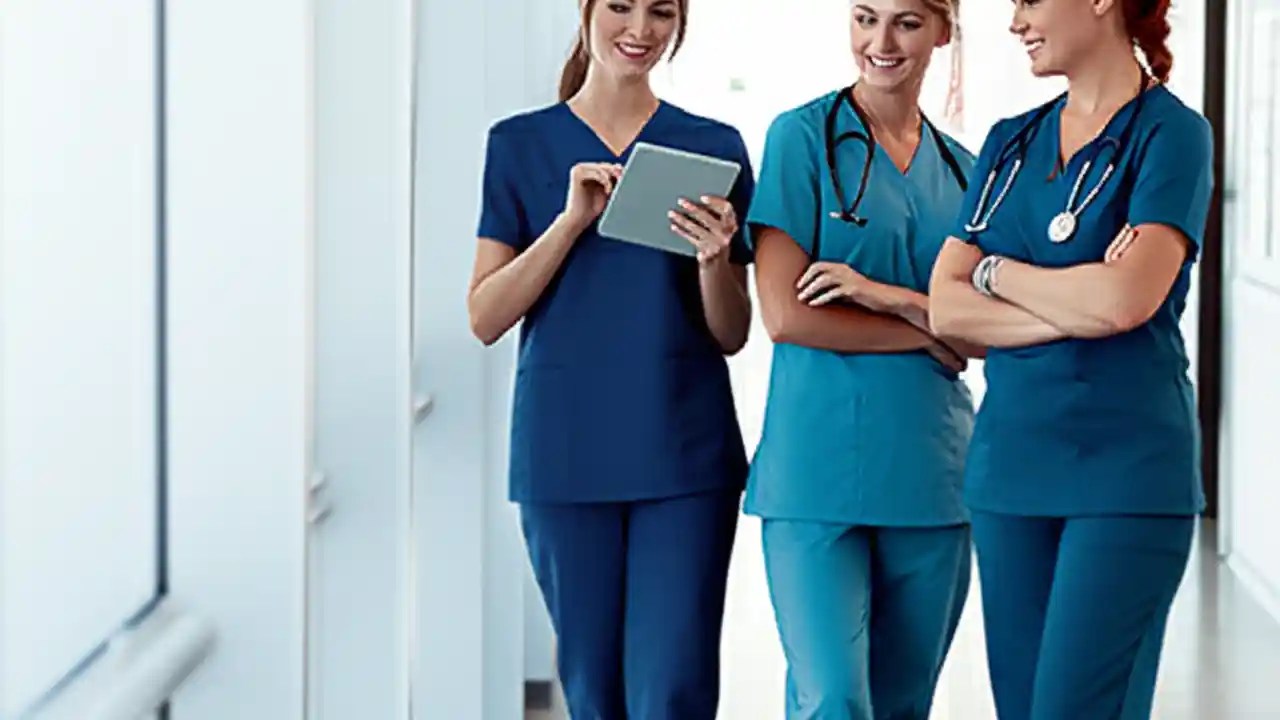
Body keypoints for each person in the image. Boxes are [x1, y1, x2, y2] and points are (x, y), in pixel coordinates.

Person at [466, 0, 756, 716]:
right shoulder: (519, 145)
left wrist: (715, 260)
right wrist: (570, 224)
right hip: (564, 452)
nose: (641, 29)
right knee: (595, 691)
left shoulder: (712, 147)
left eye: (661, 12)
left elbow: (732, 331)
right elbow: (485, 315)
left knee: (674, 690)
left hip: (683, 454)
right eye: (621, 6)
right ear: (587, 11)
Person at [929, 0, 1214, 717]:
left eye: (1029, 0)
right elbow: (946, 309)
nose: (1016, 21)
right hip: (1010, 472)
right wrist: (1076, 304)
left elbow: (1124, 303)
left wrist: (997, 273)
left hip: (1126, 475)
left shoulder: (1172, 136)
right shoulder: (1010, 143)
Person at [745, 1, 978, 716]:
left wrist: (883, 296)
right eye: (865, 17)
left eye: (907, 22)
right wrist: (925, 328)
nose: (881, 42)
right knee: (835, 700)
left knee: (904, 702)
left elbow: (979, 335)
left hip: (933, 474)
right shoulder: (802, 139)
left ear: (942, 31)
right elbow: (785, 315)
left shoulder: (966, 171)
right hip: (814, 475)